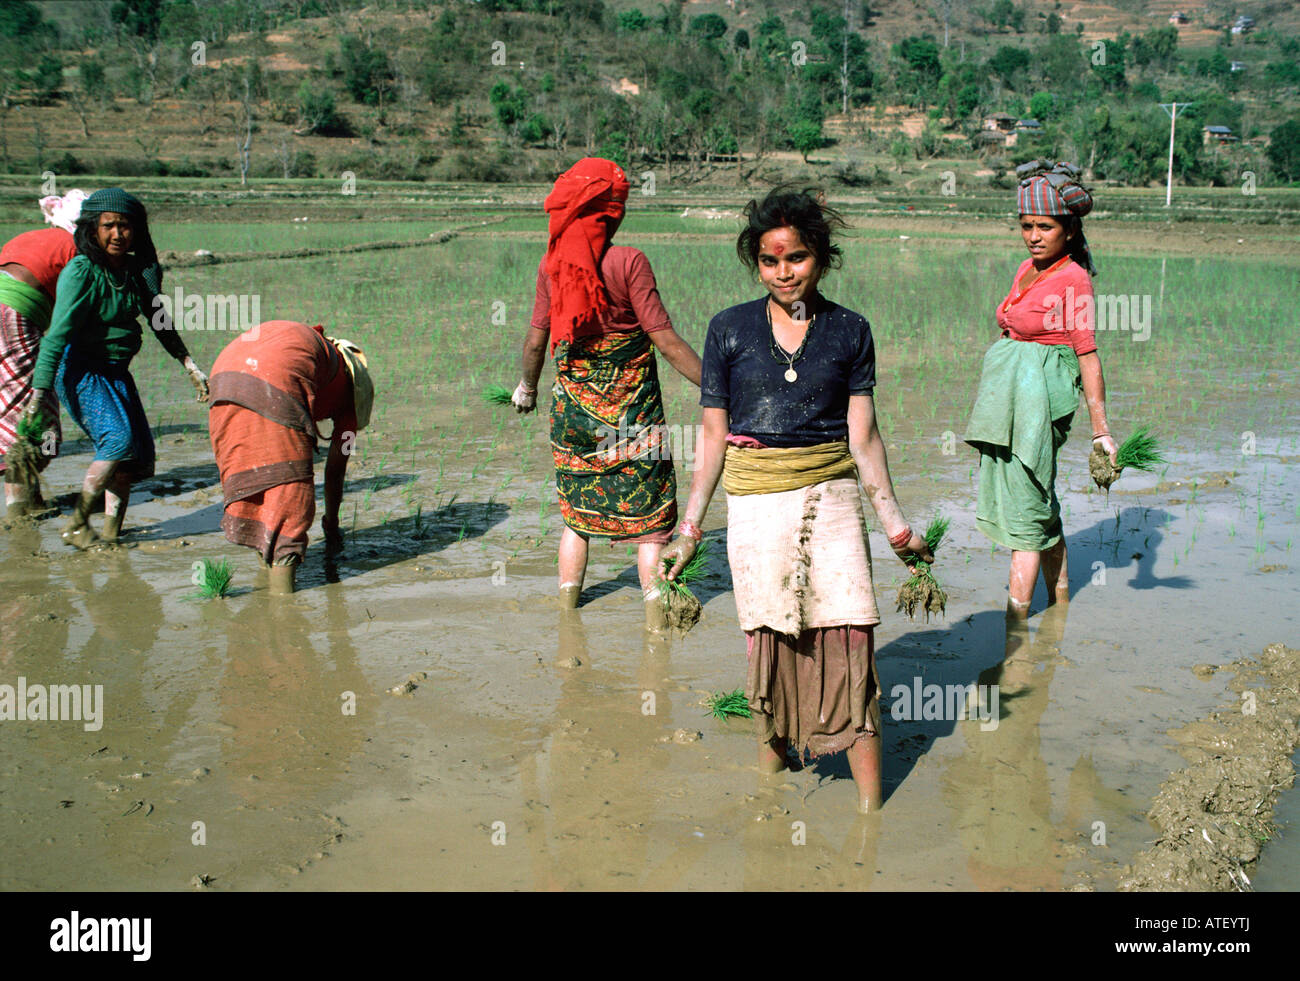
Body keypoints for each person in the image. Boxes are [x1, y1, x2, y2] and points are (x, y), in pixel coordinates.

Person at [659, 186, 932, 814]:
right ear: (756, 262)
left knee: (851, 637)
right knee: (769, 643)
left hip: (832, 497)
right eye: (771, 261)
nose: (785, 273)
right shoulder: (728, 330)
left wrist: (896, 529)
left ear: (822, 257)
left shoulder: (850, 331)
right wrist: (690, 529)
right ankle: (769, 799)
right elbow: (712, 437)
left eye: (798, 258)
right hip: (754, 508)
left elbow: (862, 438)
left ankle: (870, 812)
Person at [512, 157, 702, 626]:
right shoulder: (629, 261)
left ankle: (566, 621)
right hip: (634, 419)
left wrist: (527, 388)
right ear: (614, 211)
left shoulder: (551, 266)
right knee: (651, 527)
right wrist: (722, 390)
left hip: (572, 418)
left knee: (578, 519)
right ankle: (657, 629)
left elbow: (537, 339)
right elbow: (665, 339)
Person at [964, 160, 1117, 619]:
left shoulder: (1074, 279)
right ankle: (1061, 605)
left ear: (1068, 230)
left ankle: (1015, 629)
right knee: (1040, 504)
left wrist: (1100, 431)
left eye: (1045, 227)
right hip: (1011, 403)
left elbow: (1087, 355)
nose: (1034, 235)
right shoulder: (1026, 268)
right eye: (1027, 226)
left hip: (1039, 407)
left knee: (1027, 515)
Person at [24, 188, 210, 546]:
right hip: (80, 369)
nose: (118, 235)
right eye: (109, 225)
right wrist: (38, 394)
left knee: (131, 459)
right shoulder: (82, 271)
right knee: (118, 441)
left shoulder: (135, 272)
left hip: (115, 371)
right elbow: (56, 335)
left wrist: (189, 364)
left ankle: (110, 534)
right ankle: (77, 523)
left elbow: (160, 321)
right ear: (92, 228)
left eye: (126, 226)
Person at [208, 321, 372, 595]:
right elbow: (335, 470)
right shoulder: (348, 406)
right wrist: (331, 525)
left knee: (255, 480)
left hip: (223, 377)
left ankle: (266, 576)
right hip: (276, 377)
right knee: (291, 499)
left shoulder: (317, 351)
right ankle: (283, 609)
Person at [0, 192, 83, 517]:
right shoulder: (75, 250)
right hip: (12, 316)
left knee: (9, 403)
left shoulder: (32, 236)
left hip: (9, 316)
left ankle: (25, 499)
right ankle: (20, 506)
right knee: (34, 409)